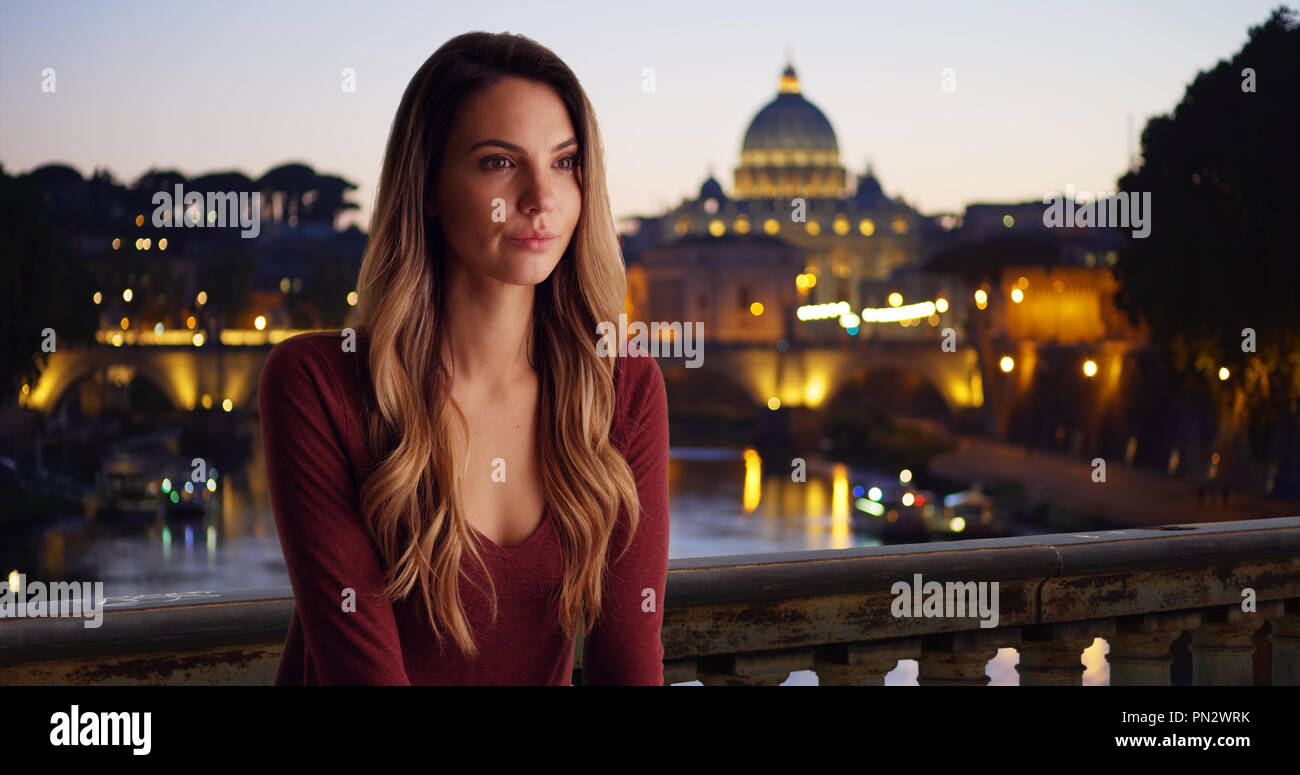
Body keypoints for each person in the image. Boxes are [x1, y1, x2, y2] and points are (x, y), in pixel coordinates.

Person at [258, 31, 669, 685]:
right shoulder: (317, 384)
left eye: (565, 162)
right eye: (498, 163)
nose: (541, 196)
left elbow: (628, 661)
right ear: (426, 186)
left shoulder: (624, 388)